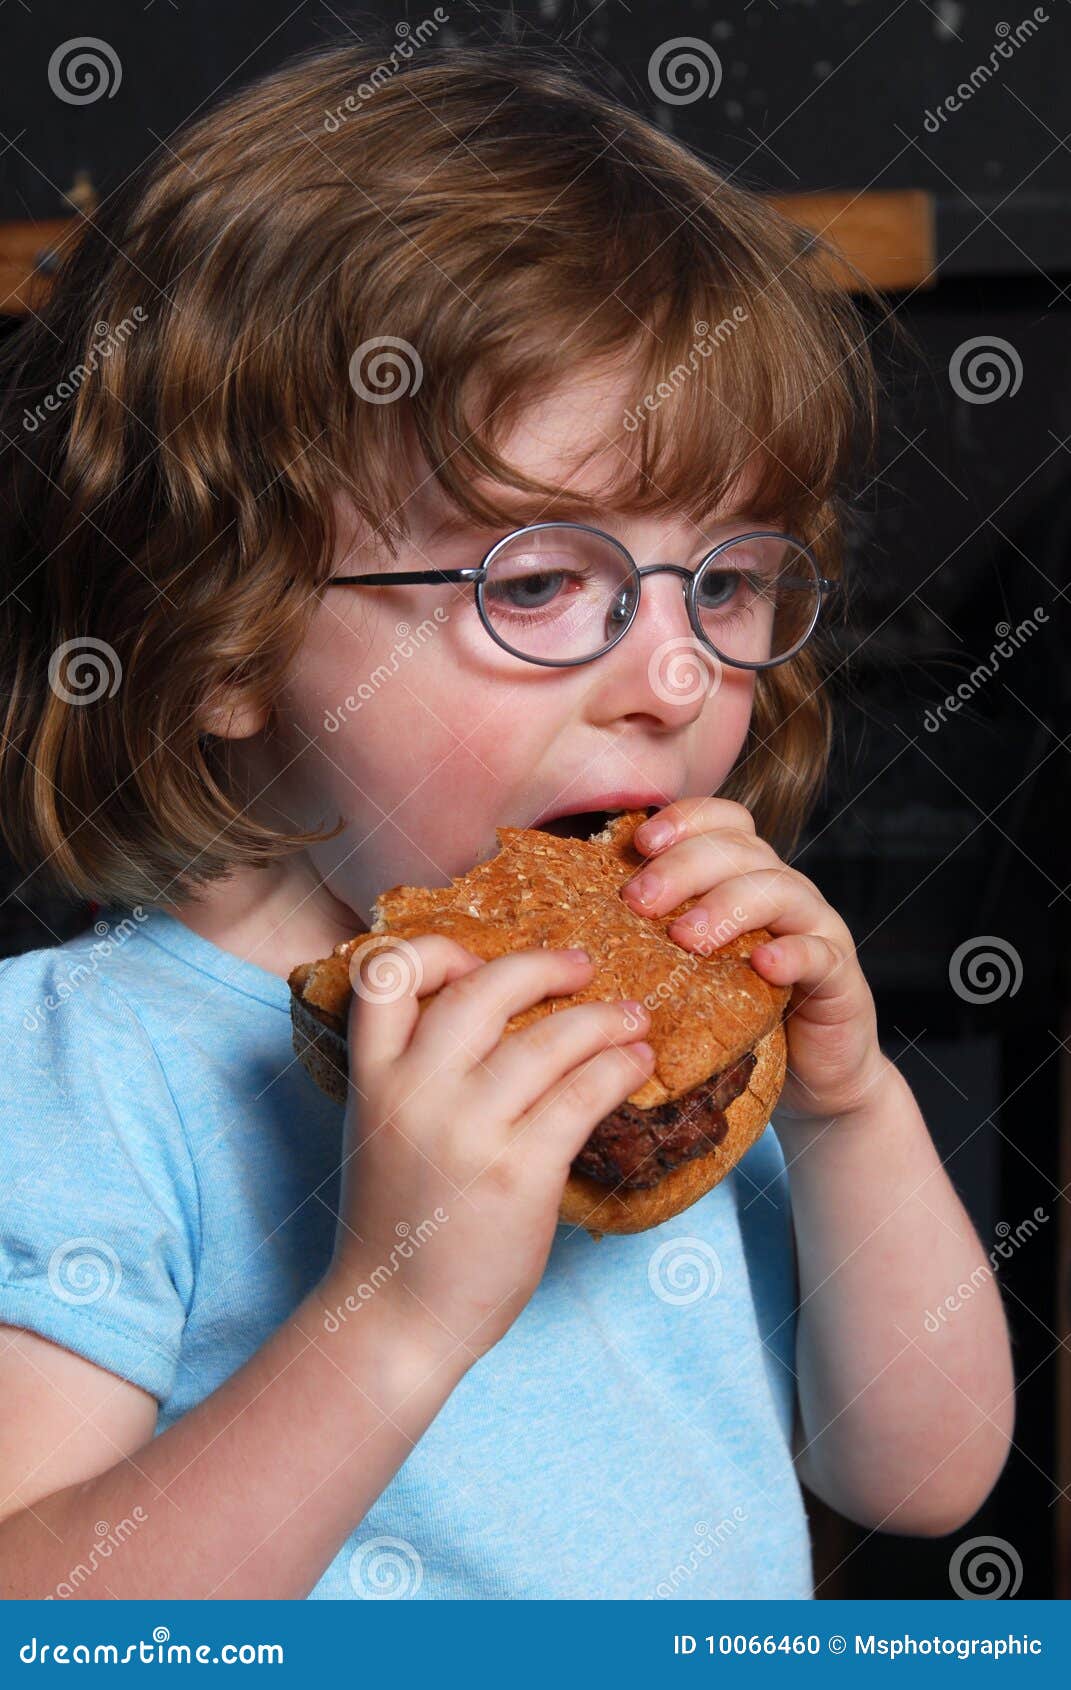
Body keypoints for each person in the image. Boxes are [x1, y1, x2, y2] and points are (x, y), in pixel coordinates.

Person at [0, 35, 1013, 1600]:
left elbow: (923, 1473)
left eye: (729, 579)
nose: (678, 674)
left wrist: (847, 1111)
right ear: (221, 636)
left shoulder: (672, 1049)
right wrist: (394, 1314)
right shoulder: (80, 1072)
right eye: (538, 581)